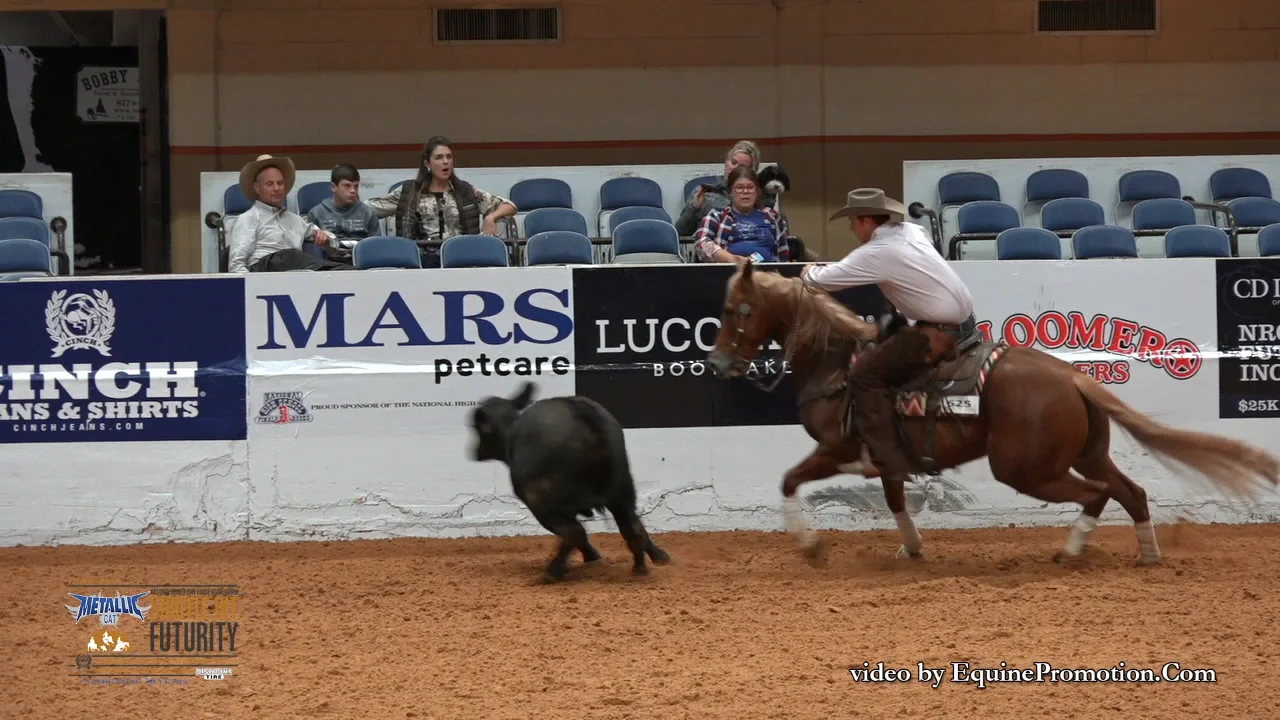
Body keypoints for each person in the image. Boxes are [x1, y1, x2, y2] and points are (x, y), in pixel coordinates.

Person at [800, 188, 978, 477]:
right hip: (965, 321)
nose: (851, 227)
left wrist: (807, 271)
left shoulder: (878, 252)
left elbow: (823, 281)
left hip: (934, 332)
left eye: (853, 221)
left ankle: (882, 454)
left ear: (867, 221)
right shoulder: (911, 231)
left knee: (863, 375)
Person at [364, 136, 517, 268]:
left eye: (449, 157)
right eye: (439, 157)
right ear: (427, 164)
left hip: (461, 259)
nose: (446, 162)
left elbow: (509, 206)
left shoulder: (465, 190)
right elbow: (369, 209)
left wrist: (491, 217)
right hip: (420, 261)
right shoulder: (409, 192)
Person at [226, 154, 352, 273]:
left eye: (280, 183)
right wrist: (253, 288)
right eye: (269, 184)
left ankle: (349, 273)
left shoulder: (295, 220)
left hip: (294, 275)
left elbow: (325, 238)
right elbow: (236, 265)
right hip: (263, 271)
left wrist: (325, 239)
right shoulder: (247, 219)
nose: (276, 188)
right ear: (257, 188)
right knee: (287, 255)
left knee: (343, 271)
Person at [693, 165, 790, 264]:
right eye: (739, 188)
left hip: (768, 275)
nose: (745, 191)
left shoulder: (773, 217)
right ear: (730, 191)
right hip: (728, 273)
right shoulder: (716, 216)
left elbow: (783, 255)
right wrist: (731, 259)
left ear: (757, 191)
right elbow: (701, 243)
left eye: (750, 187)